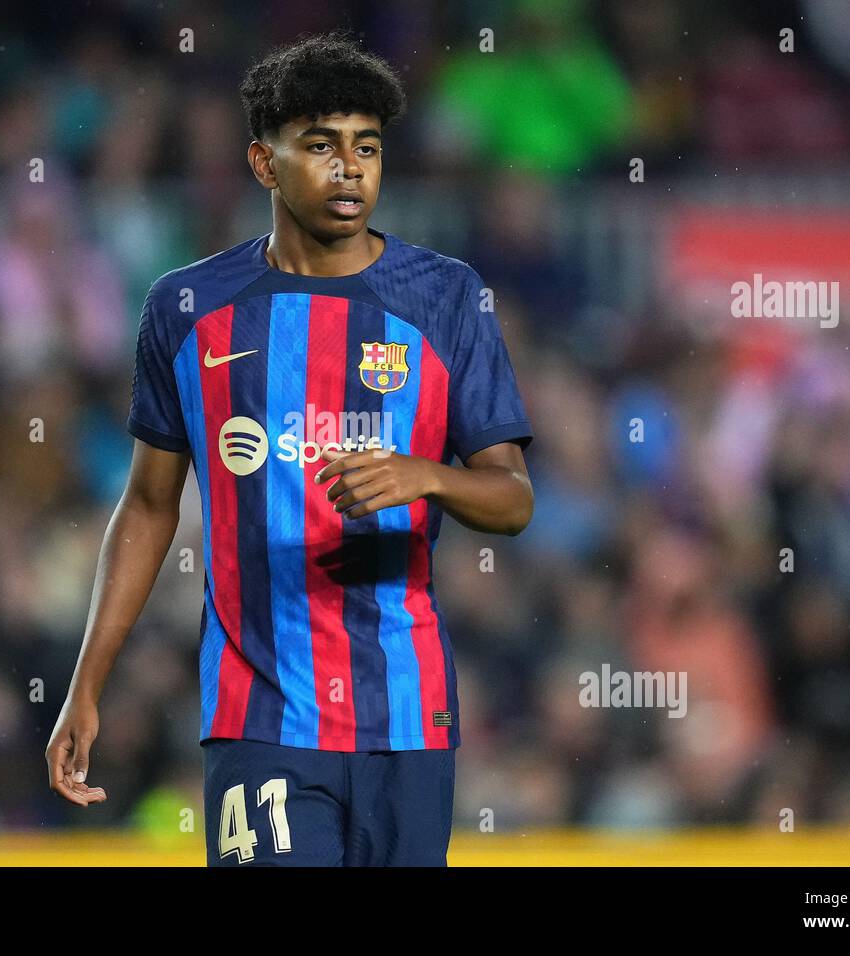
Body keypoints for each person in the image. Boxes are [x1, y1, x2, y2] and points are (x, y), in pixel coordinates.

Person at [46, 30, 534, 866]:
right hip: (258, 713)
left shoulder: (447, 297)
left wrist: (426, 477)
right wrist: (87, 680)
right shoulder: (186, 307)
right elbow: (150, 504)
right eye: (321, 145)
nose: (350, 168)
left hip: (407, 716)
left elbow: (514, 498)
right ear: (264, 165)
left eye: (367, 147)